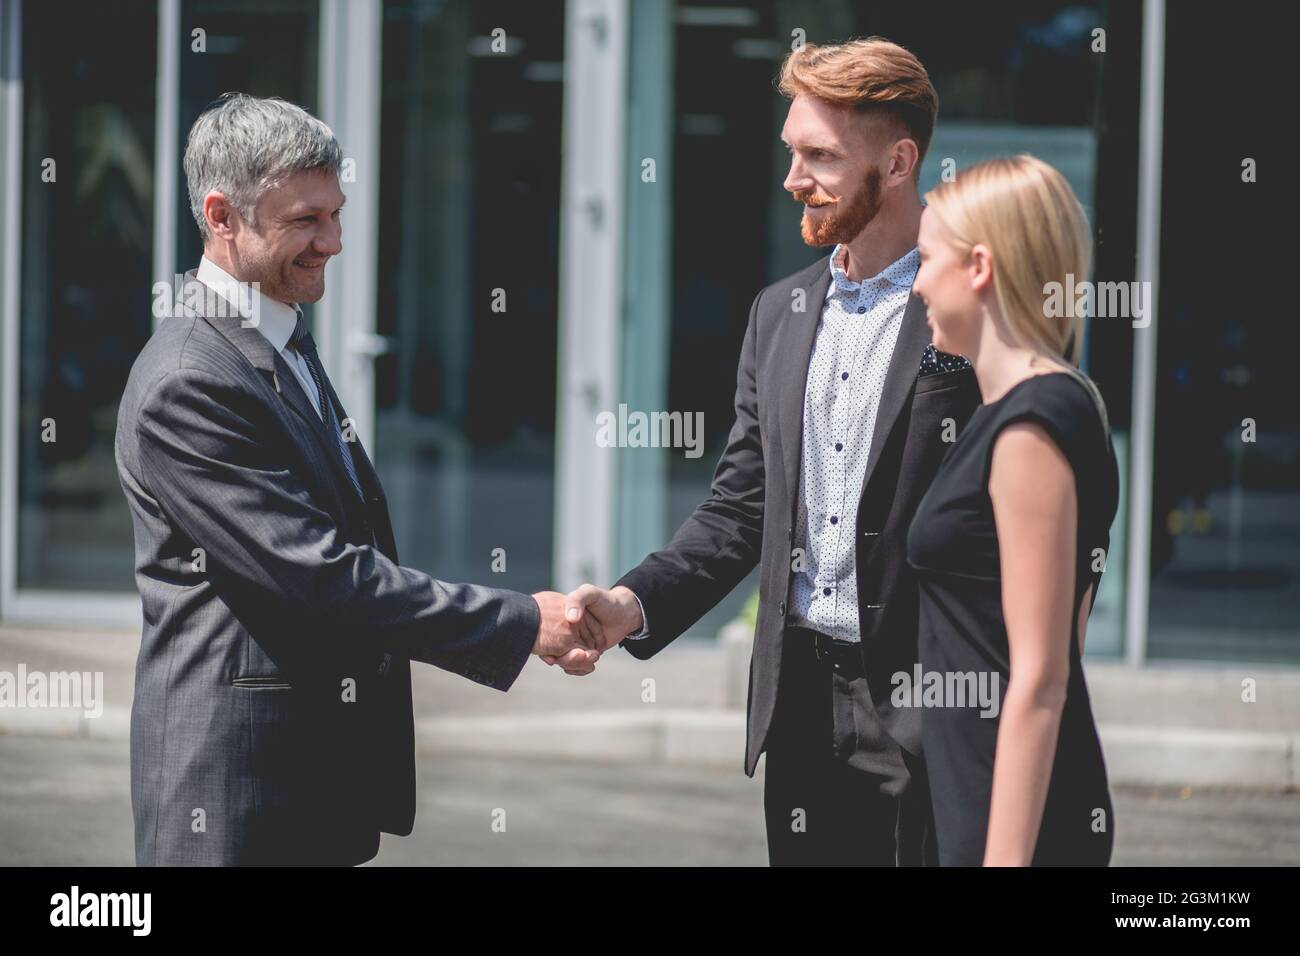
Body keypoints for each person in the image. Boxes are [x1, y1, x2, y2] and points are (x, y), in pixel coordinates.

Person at [114, 94, 596, 866]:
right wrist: (518, 621)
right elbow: (317, 571)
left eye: (336, 215)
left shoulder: (279, 337)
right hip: (232, 794)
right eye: (307, 220)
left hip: (311, 783)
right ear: (222, 216)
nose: (333, 242)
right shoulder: (189, 379)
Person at [563, 38, 979, 865]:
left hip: (930, 709)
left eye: (820, 156)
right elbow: (741, 506)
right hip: (797, 711)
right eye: (793, 152)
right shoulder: (778, 312)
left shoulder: (968, 305)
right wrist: (631, 603)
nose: (794, 178)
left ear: (898, 163)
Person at [906, 154, 1118, 865]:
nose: (917, 285)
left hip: (1011, 818)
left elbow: (1044, 675)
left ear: (980, 268)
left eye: (927, 259)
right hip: (984, 793)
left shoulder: (1031, 424)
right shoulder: (1033, 408)